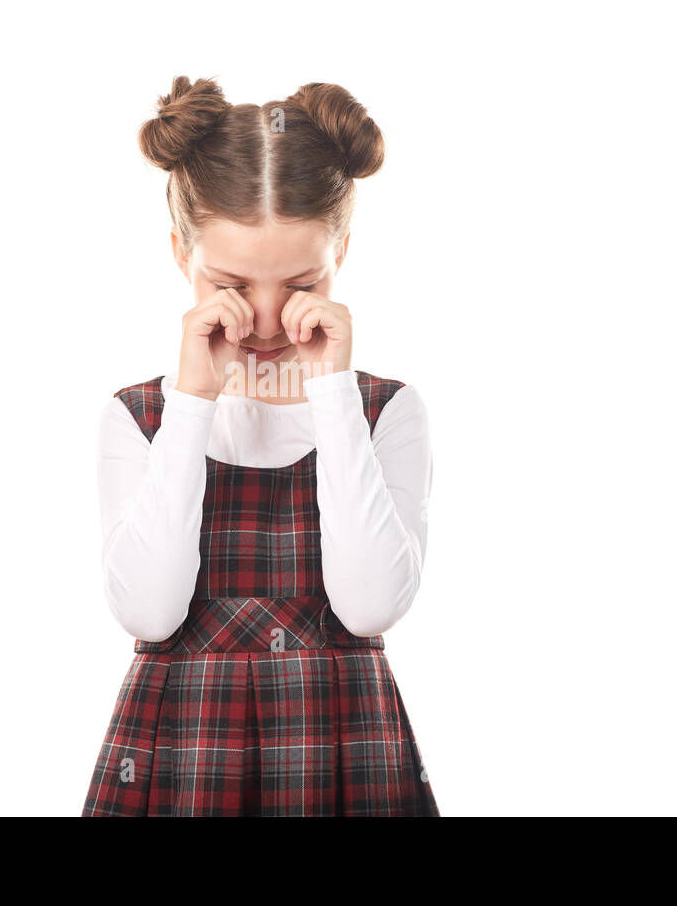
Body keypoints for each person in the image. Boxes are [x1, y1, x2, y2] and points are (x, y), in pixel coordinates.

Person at [81, 76, 439, 815]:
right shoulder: (142, 416)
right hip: (187, 747)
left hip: (342, 746)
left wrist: (331, 394)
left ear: (343, 250)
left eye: (302, 281)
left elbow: (370, 606)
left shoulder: (383, 411)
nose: (269, 320)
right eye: (233, 282)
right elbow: (149, 613)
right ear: (181, 253)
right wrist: (194, 403)